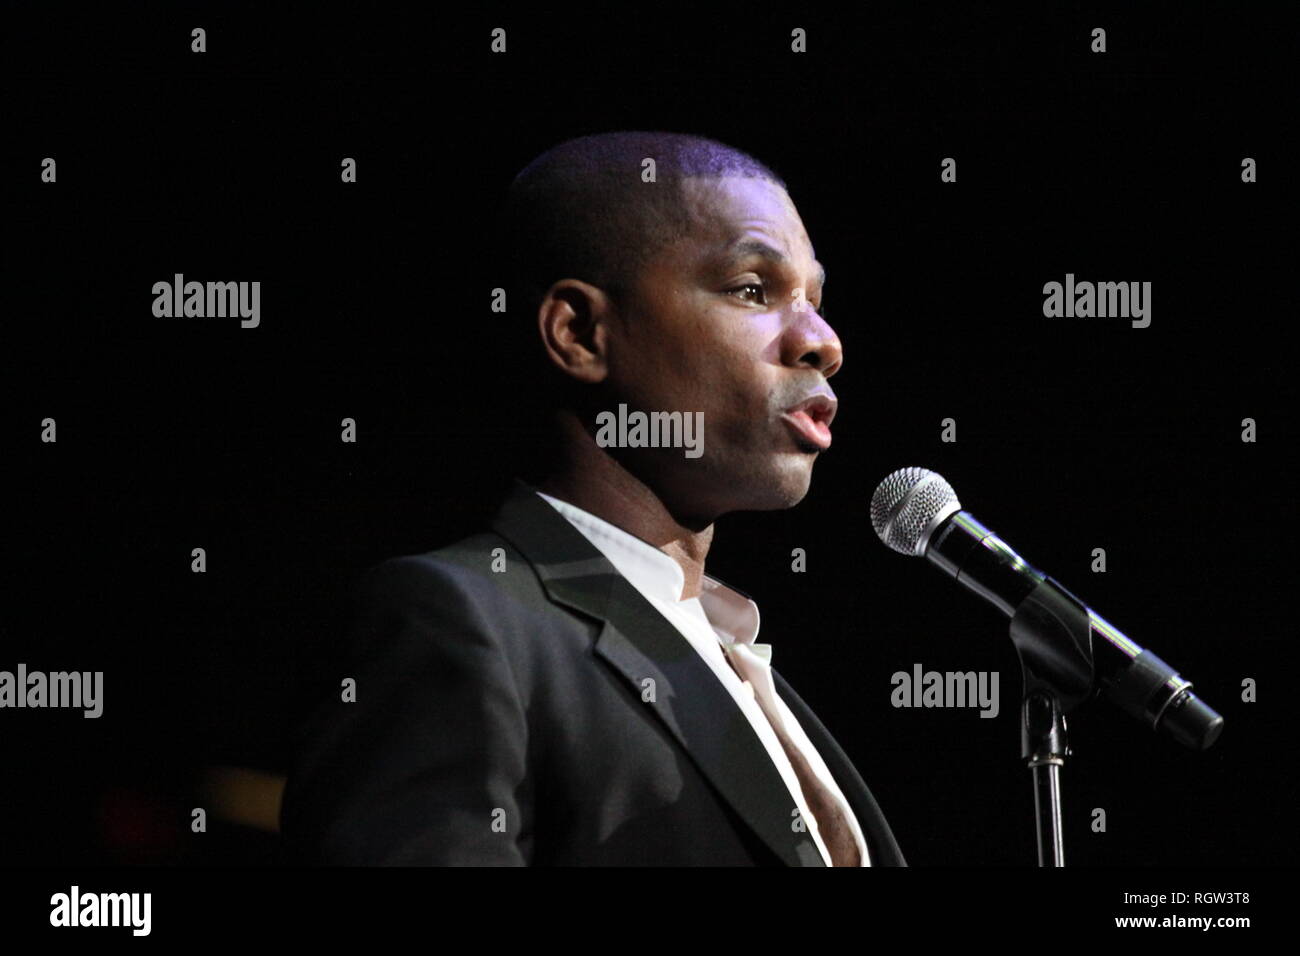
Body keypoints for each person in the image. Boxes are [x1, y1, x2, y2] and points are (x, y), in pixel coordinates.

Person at [279, 131, 905, 866]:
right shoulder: (455, 622)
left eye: (815, 299)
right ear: (579, 334)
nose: (821, 341)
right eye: (752, 290)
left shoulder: (733, 656)